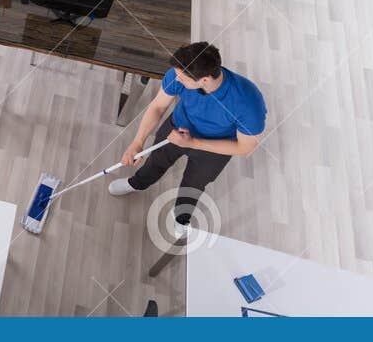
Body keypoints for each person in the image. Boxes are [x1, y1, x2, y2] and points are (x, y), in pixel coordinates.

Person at [109, 42, 267, 226]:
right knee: (156, 161)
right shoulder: (179, 74)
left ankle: (181, 218)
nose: (177, 80)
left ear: (205, 80)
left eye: (182, 78)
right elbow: (158, 106)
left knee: (194, 184)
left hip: (215, 148)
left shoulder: (248, 102)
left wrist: (192, 143)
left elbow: (245, 147)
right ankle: (137, 183)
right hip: (176, 129)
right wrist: (137, 142)